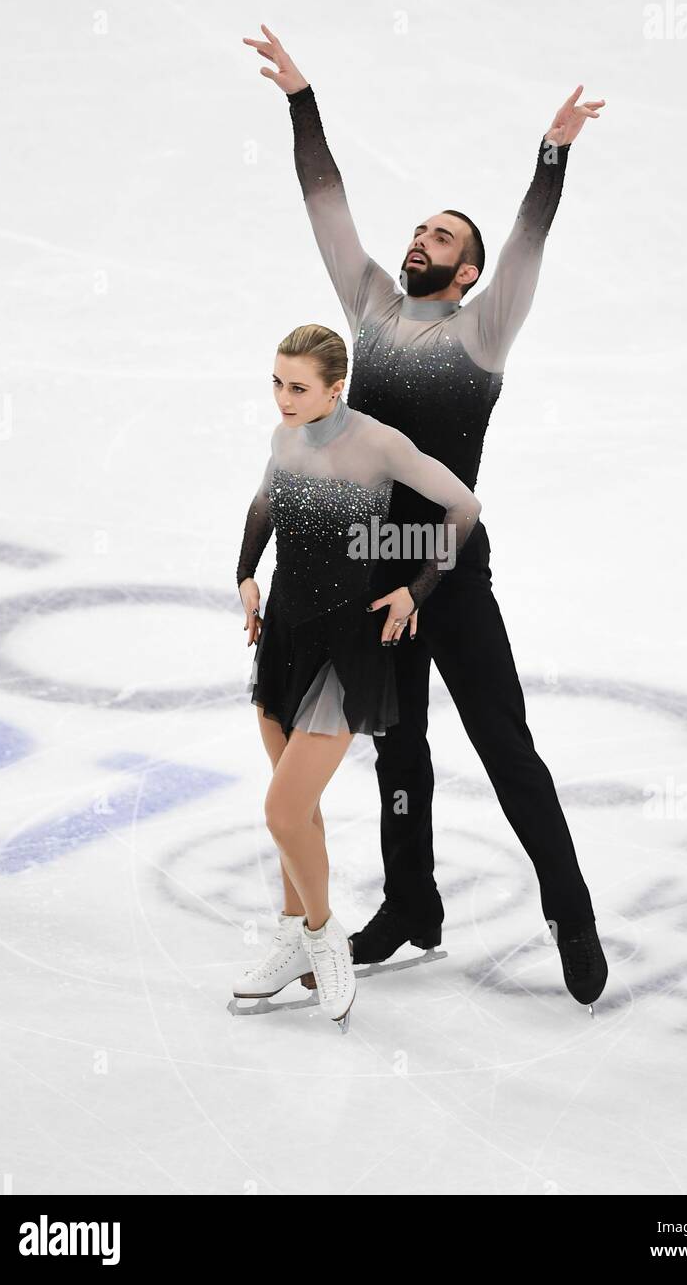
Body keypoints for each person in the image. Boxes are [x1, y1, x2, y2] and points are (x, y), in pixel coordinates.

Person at [242, 26, 609, 1010]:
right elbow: (325, 200)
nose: (420, 240)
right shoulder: (366, 308)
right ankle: (411, 902)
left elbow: (530, 237)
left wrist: (551, 154)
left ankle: (568, 909)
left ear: (467, 276)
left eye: (442, 238)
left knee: (501, 739)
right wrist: (302, 100)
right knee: (393, 747)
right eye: (419, 229)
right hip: (370, 563)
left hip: (445, 563)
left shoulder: (483, 330)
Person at [233, 323, 481, 1031]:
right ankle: (292, 937)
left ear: (335, 388)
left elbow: (464, 507)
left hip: (350, 648)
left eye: (298, 387)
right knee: (296, 810)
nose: (283, 398)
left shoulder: (377, 443)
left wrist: (415, 590)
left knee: (282, 811)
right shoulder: (286, 438)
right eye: (277, 383)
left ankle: (322, 934)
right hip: (282, 633)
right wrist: (245, 573)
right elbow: (264, 506)